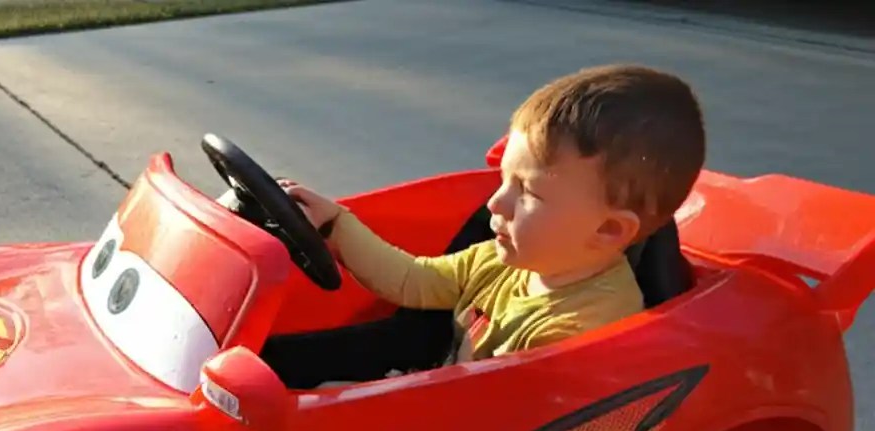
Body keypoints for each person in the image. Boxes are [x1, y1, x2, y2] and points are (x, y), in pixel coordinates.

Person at [270, 64, 706, 384]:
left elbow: (491, 418)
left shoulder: (579, 332)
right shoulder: (508, 260)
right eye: (504, 181)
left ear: (608, 231)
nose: (497, 202)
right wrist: (336, 224)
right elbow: (413, 280)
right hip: (443, 398)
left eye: (528, 192)